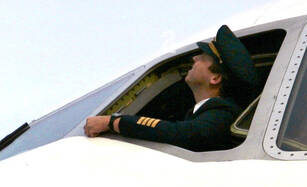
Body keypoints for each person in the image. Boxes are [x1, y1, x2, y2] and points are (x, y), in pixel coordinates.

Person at [84, 25, 258, 152]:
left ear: (215, 78)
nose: (195, 58)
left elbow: (181, 134)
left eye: (203, 58)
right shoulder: (200, 114)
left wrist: (114, 122)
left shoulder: (222, 114)